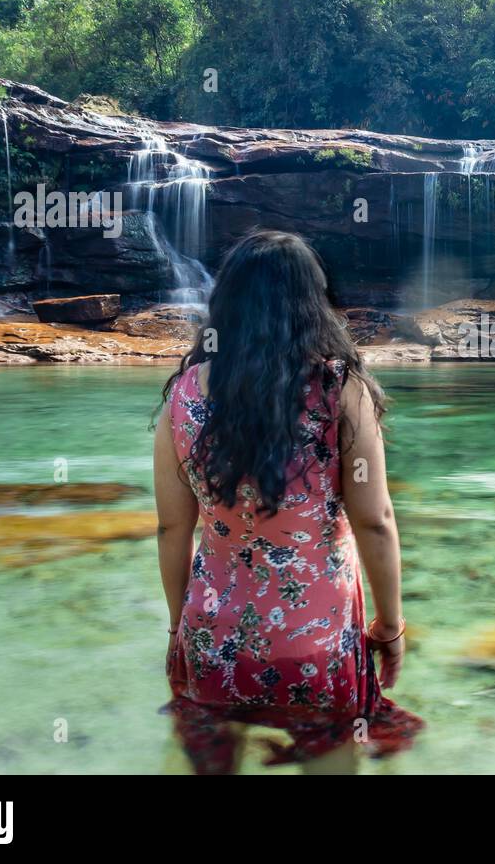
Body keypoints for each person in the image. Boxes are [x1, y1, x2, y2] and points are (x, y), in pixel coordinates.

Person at [153, 230, 421, 773]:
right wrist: (390, 627)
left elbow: (171, 531)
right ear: (313, 301)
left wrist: (178, 627)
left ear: (224, 302)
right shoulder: (339, 390)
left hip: (214, 636)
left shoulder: (183, 396)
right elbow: (375, 521)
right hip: (316, 640)